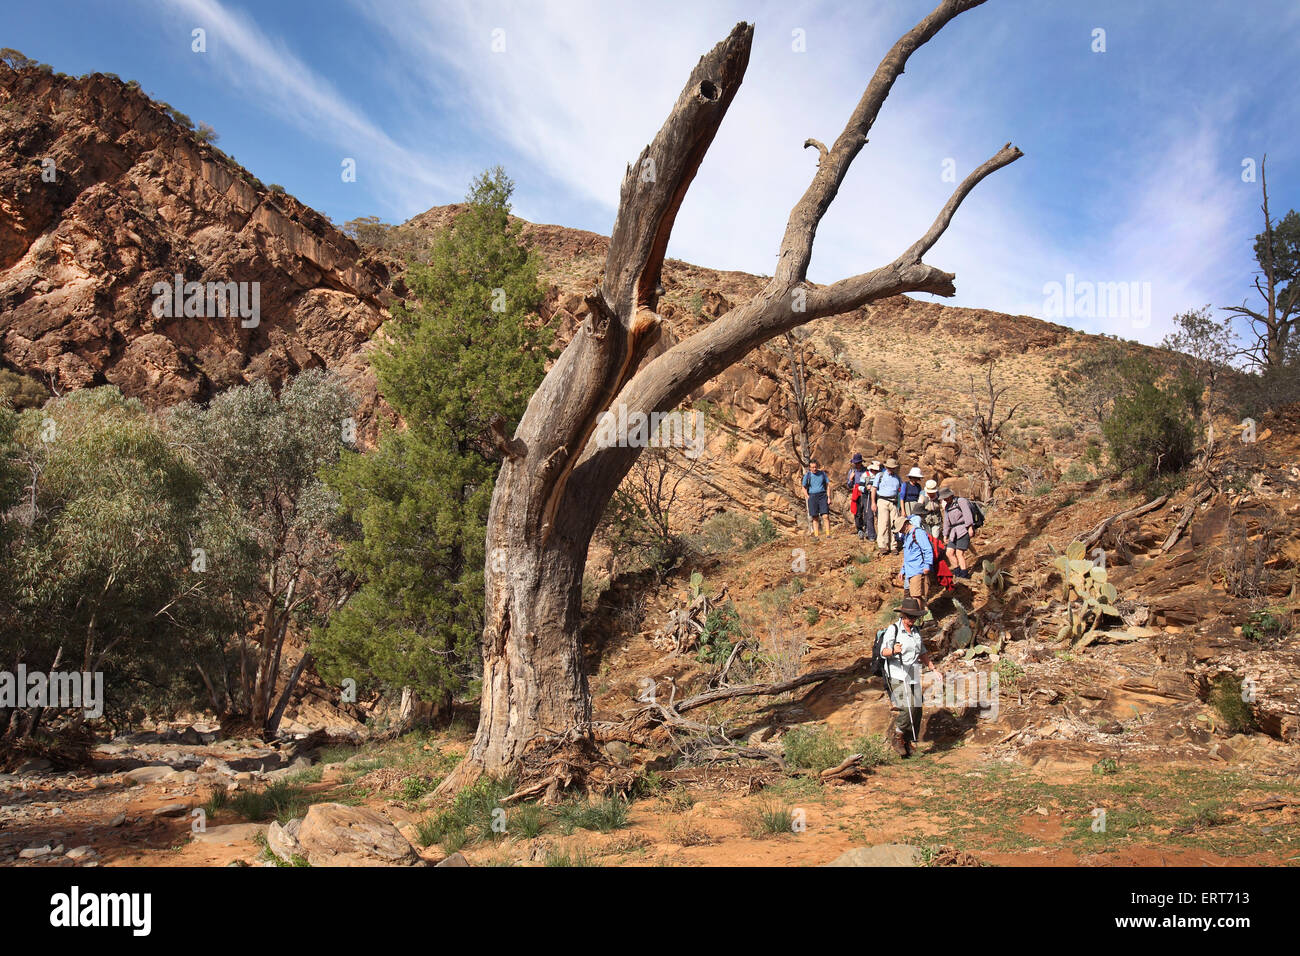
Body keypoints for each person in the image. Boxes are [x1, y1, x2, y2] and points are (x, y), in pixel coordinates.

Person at [878, 595, 933, 758]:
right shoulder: (893, 630)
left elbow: (922, 651)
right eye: (909, 616)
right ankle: (898, 735)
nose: (912, 620)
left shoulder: (916, 632)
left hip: (914, 673)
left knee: (917, 709)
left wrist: (931, 667)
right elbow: (883, 652)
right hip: (897, 673)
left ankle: (907, 742)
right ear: (903, 615)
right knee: (906, 705)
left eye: (915, 617)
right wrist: (894, 650)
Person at [939, 486, 975, 579]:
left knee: (959, 553)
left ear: (950, 495)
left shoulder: (961, 501)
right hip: (953, 532)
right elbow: (946, 521)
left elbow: (967, 514)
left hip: (963, 529)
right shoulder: (947, 506)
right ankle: (957, 572)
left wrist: (970, 527)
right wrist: (945, 535)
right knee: (949, 553)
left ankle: (964, 574)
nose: (945, 499)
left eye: (946, 497)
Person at [896, 513, 934, 600]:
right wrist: (903, 570)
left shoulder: (918, 533)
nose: (900, 532)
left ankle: (921, 613)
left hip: (918, 570)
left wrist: (927, 565)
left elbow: (927, 549)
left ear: (905, 525)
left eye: (900, 529)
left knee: (917, 597)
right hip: (910, 571)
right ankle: (923, 612)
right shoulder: (907, 536)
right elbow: (908, 556)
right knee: (916, 597)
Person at [872, 457, 902, 555]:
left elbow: (900, 491)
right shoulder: (880, 476)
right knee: (883, 523)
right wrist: (873, 502)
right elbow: (874, 489)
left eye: (893, 468)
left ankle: (893, 545)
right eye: (889, 467)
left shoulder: (897, 478)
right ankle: (883, 545)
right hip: (882, 500)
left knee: (894, 523)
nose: (891, 469)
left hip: (893, 502)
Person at [802, 458, 831, 538]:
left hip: (822, 495)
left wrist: (829, 497)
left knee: (825, 516)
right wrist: (808, 497)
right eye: (812, 467)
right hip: (812, 496)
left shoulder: (822, 474)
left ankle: (828, 534)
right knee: (815, 517)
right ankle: (816, 536)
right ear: (810, 467)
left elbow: (828, 485)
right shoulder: (807, 476)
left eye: (815, 467)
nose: (814, 469)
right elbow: (803, 487)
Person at [846, 453, 869, 537]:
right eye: (855, 463)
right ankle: (859, 529)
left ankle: (867, 528)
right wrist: (851, 479)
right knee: (857, 512)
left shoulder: (866, 470)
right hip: (856, 493)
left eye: (858, 462)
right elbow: (849, 485)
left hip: (865, 492)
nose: (857, 464)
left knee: (866, 511)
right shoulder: (852, 471)